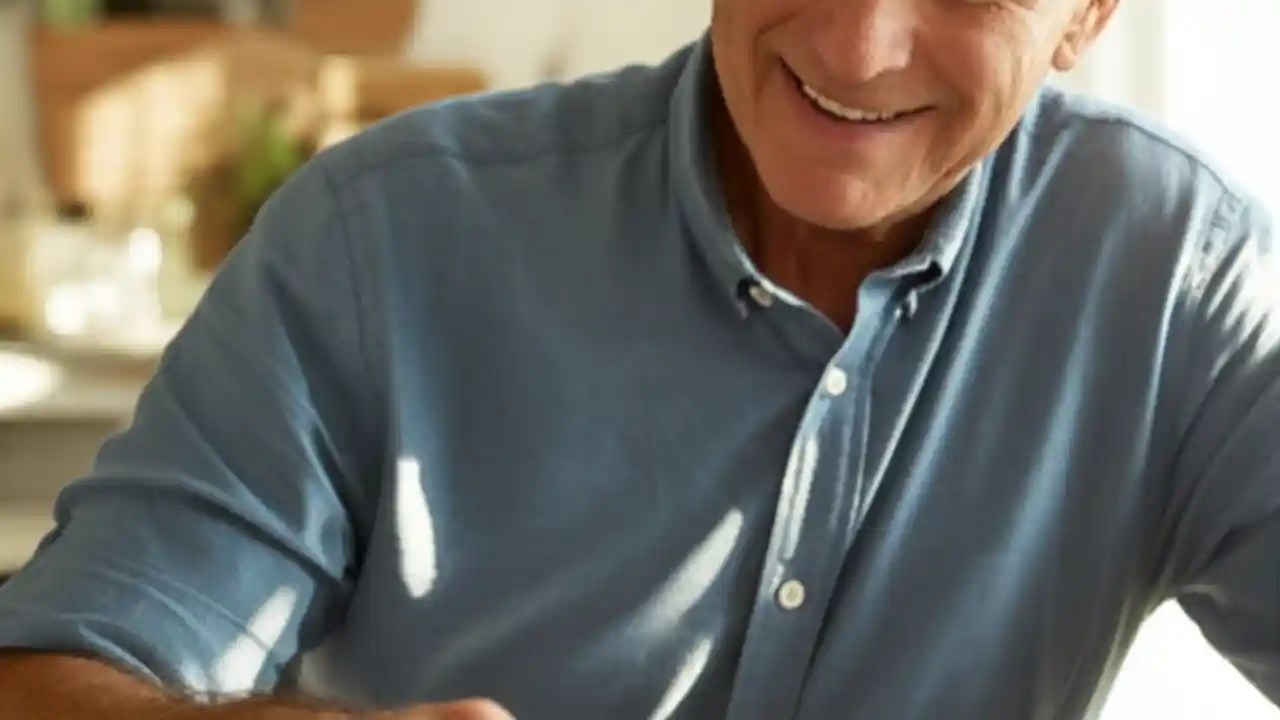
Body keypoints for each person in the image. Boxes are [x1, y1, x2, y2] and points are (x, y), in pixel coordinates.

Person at [1, 0, 1276, 718]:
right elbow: (48, 682)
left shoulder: (1179, 275)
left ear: (1088, 13)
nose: (856, 49)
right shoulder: (382, 238)